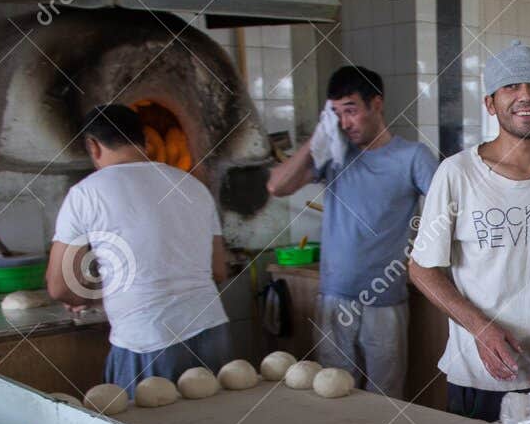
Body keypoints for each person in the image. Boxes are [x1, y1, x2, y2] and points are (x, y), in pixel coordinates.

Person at [409, 41, 530, 423]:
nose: (525, 96)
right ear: (490, 103)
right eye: (511, 87)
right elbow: (421, 268)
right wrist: (481, 330)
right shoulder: (457, 173)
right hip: (478, 376)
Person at [267, 66, 438, 397]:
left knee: (385, 398)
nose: (345, 123)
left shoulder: (411, 156)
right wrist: (318, 137)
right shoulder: (335, 154)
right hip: (334, 295)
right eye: (336, 113)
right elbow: (277, 186)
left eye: (351, 110)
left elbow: (449, 208)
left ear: (377, 104)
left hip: (385, 299)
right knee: (333, 394)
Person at [47, 105, 230, 390]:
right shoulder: (192, 185)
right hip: (211, 331)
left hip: (149, 337)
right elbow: (218, 271)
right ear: (145, 140)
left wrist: (92, 299)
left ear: (93, 146)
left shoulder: (86, 193)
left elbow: (59, 287)